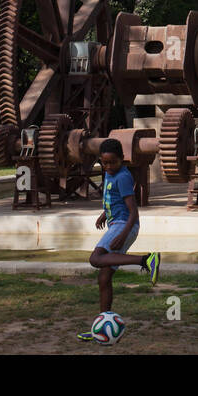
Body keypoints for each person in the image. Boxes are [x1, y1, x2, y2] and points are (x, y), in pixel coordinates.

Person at [78, 138, 160, 341]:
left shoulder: (122, 177)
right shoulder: (109, 173)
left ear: (122, 159)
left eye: (112, 162)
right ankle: (100, 328)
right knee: (104, 278)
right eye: (104, 163)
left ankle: (145, 260)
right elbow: (113, 199)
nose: (108, 166)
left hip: (125, 225)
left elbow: (133, 211)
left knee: (95, 259)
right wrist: (105, 214)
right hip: (117, 223)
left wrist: (123, 234)